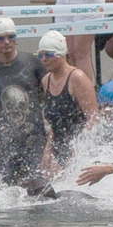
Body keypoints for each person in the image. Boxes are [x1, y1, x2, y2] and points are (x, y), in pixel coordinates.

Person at [0, 17, 48, 188]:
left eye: (11, 37)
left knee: (39, 189)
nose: (7, 42)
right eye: (0, 38)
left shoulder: (33, 63)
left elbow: (53, 96)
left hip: (35, 141)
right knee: (5, 194)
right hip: (6, 145)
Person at [36, 30, 97, 169]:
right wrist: (47, 152)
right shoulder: (46, 80)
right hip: (59, 149)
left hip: (80, 149)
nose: (44, 59)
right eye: (41, 55)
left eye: (49, 54)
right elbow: (55, 123)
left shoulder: (77, 78)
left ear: (62, 54)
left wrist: (77, 154)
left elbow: (93, 120)